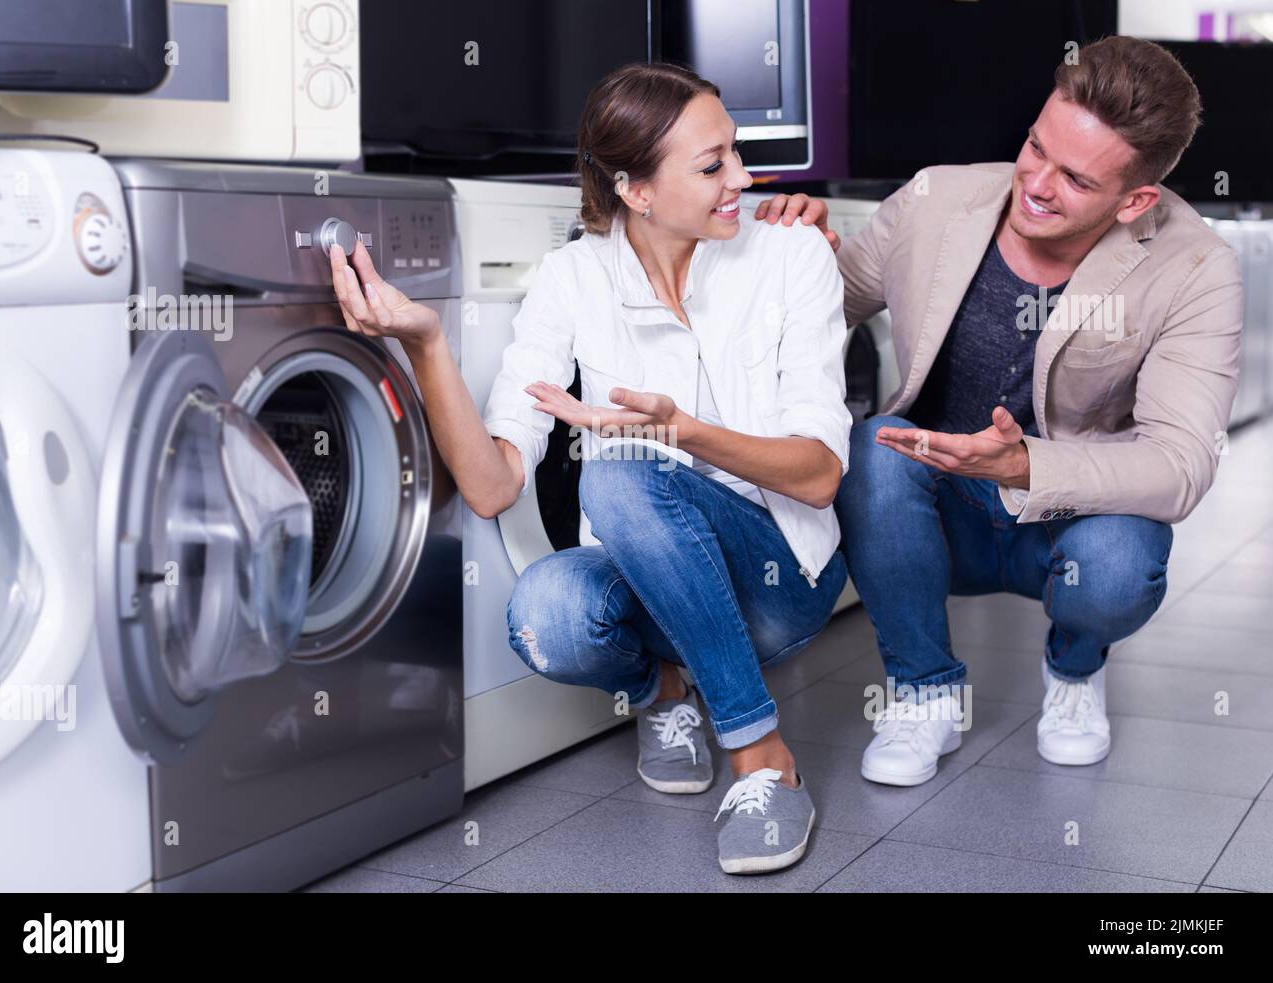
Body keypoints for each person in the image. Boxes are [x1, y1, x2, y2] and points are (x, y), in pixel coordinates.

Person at [330, 62, 852, 873]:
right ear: (636, 190)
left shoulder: (791, 255)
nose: (742, 181)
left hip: (782, 578)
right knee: (548, 613)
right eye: (712, 166)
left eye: (735, 154)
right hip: (650, 573)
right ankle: (663, 693)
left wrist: (681, 430)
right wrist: (425, 342)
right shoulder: (575, 277)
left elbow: (819, 477)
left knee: (617, 474)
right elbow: (495, 484)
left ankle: (762, 754)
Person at [755, 35, 1242, 786]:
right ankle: (923, 692)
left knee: (1120, 569)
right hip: (936, 509)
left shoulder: (1198, 266)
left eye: (1076, 179)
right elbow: (820, 313)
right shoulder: (936, 198)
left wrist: (1023, 464)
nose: (1037, 184)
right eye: (1035, 146)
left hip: (1073, 520)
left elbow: (1180, 463)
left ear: (1135, 200)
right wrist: (797, 258)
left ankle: (1075, 669)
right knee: (877, 447)